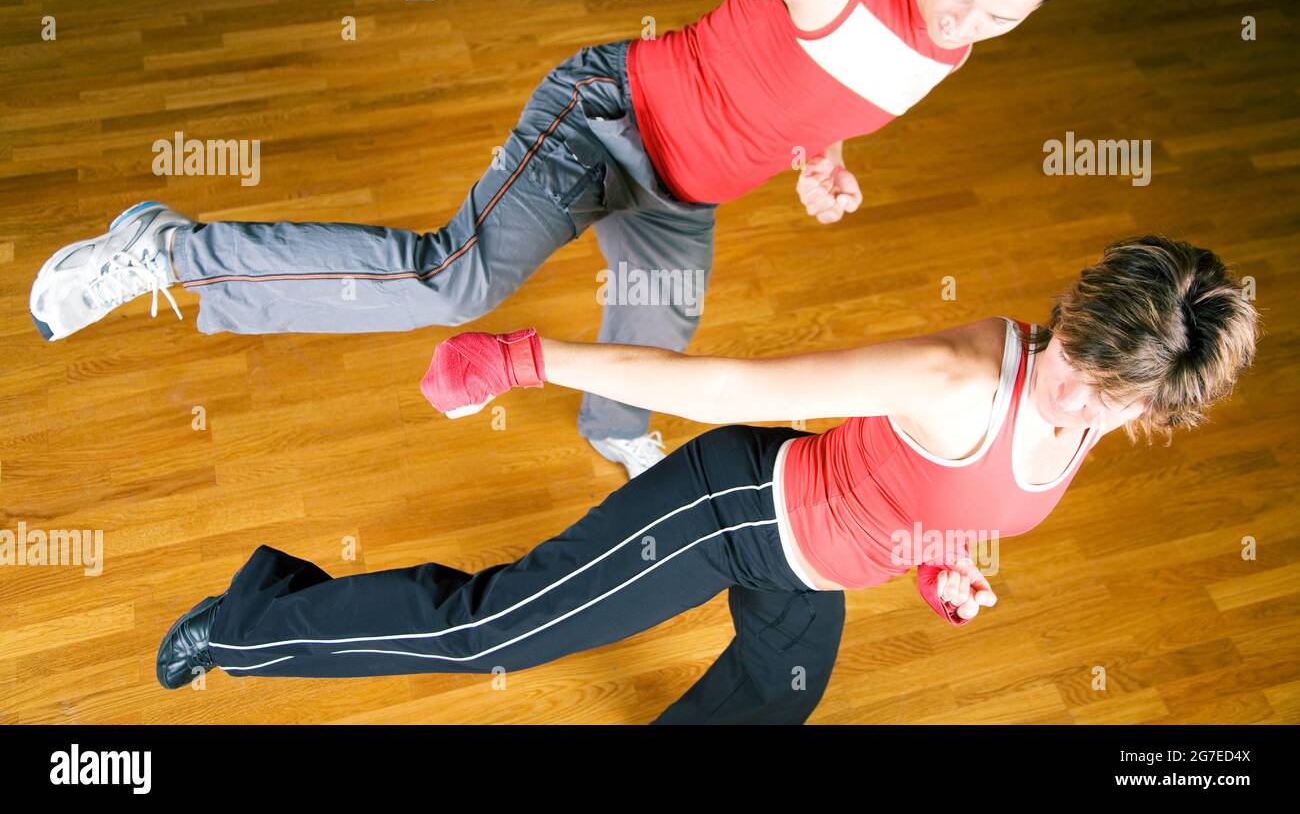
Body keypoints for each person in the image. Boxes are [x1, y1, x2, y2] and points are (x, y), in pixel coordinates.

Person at [30, 0, 1090, 480]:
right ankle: (167, 248)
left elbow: (836, 82)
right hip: (604, 122)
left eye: (999, 16)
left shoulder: (956, 40)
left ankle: (613, 432)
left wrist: (822, 159)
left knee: (651, 345)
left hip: (686, 190)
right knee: (449, 283)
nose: (965, 20)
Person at [155, 236, 1261, 723]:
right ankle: (245, 619)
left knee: (774, 696)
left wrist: (938, 561)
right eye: (1073, 371)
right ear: (1071, 313)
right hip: (730, 511)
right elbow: (726, 378)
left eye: (1110, 402)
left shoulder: (1116, 396)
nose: (1075, 404)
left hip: (817, 560)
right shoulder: (954, 373)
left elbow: (949, 493)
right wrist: (523, 356)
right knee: (486, 628)